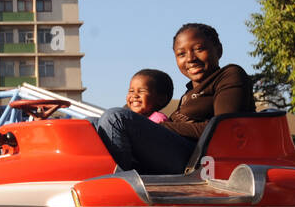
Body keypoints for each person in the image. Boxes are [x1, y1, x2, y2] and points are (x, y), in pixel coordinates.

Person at [96, 23, 254, 173]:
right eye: (181, 54)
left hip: (199, 159)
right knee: (92, 122)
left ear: (218, 50)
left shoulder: (229, 75)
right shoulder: (189, 92)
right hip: (178, 150)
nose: (191, 58)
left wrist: (163, 126)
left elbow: (223, 130)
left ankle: (121, 184)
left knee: (115, 118)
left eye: (199, 49)